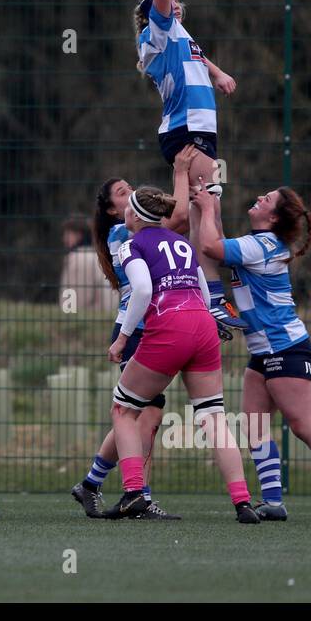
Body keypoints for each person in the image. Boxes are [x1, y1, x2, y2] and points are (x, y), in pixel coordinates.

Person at [194, 184, 311, 522]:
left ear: (273, 217)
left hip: (285, 347)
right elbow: (216, 243)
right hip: (265, 350)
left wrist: (205, 209)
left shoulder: (260, 245)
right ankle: (273, 501)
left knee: (304, 425)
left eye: (267, 199)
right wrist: (210, 204)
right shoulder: (257, 243)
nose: (259, 197)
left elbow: (208, 245)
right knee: (256, 425)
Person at [103, 187, 259, 523]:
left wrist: (122, 339)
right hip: (202, 324)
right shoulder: (182, 243)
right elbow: (203, 289)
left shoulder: (131, 245)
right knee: (214, 417)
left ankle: (133, 494)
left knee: (123, 410)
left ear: (132, 215)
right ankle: (243, 502)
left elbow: (143, 290)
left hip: (169, 326)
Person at [130, 0, 247, 336]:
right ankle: (213, 299)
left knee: (203, 213)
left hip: (193, 128)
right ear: (155, 9)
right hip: (187, 130)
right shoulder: (158, 31)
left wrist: (217, 74)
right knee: (205, 211)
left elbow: (198, 55)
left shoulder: (180, 34)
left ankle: (208, 296)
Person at [70, 150, 195, 519]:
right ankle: (137, 494)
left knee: (140, 416)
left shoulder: (141, 230)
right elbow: (182, 216)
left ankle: (94, 484)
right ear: (115, 211)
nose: (132, 193)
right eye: (124, 193)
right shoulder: (123, 231)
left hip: (157, 326)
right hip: (137, 328)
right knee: (142, 417)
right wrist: (182, 174)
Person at [59, 213, 110, 311]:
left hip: (87, 315)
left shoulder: (77, 257)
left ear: (79, 235)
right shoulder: (99, 256)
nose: (64, 239)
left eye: (68, 233)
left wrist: (67, 312)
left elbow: (73, 295)